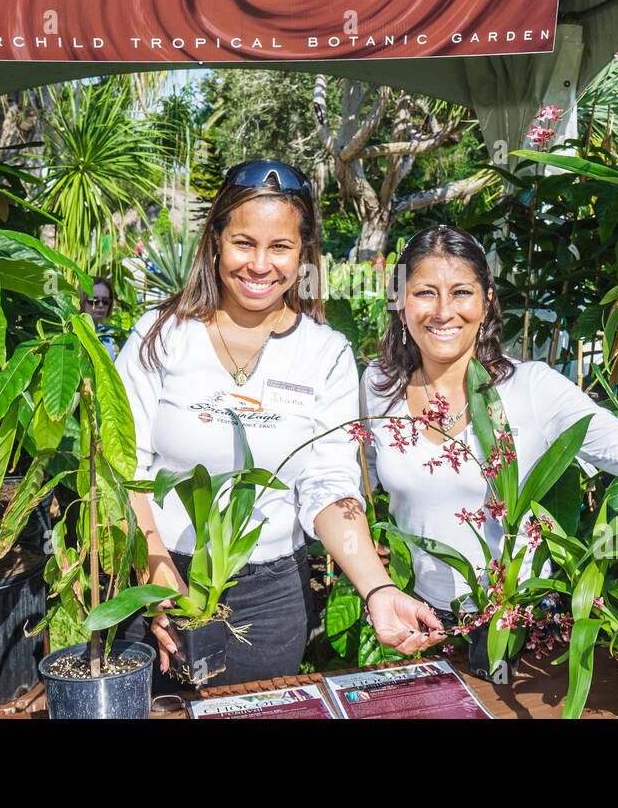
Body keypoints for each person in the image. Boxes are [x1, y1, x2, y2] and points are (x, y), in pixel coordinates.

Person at [115, 160, 444, 683]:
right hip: (156, 582)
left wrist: (378, 589)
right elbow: (122, 464)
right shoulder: (160, 335)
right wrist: (157, 576)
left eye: (280, 248)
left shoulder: (325, 354)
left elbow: (329, 486)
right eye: (244, 243)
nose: (260, 265)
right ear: (215, 242)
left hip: (267, 604)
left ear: (303, 253)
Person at [360, 224, 618, 621]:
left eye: (461, 292)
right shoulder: (379, 385)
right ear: (400, 301)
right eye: (425, 293)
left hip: (518, 625)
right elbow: (356, 484)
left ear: (487, 300)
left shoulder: (533, 389)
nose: (443, 311)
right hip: (415, 618)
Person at [80, 277, 120, 358]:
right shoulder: (75, 331)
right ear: (82, 302)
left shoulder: (108, 333)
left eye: (105, 301)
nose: (101, 305)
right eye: (94, 301)